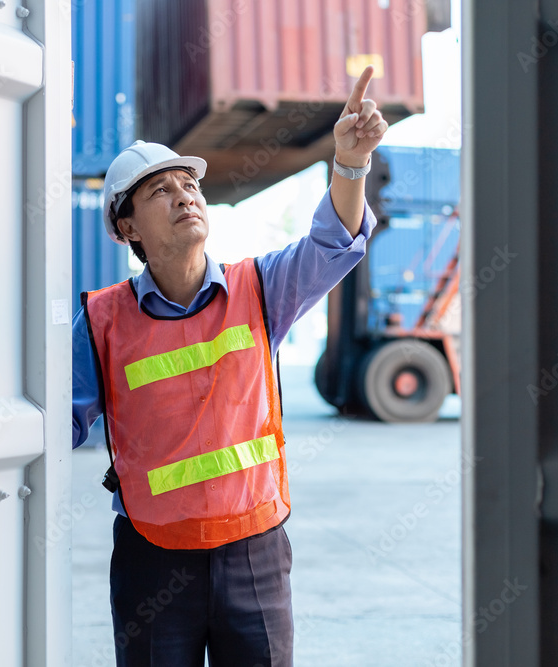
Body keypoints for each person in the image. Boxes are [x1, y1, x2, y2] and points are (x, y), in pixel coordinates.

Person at [71, 65, 388, 666]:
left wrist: (350, 164)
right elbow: (50, 426)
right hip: (151, 556)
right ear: (126, 227)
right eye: (159, 190)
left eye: (187, 185)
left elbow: (333, 241)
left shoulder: (261, 289)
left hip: (255, 554)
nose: (184, 195)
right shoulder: (101, 323)